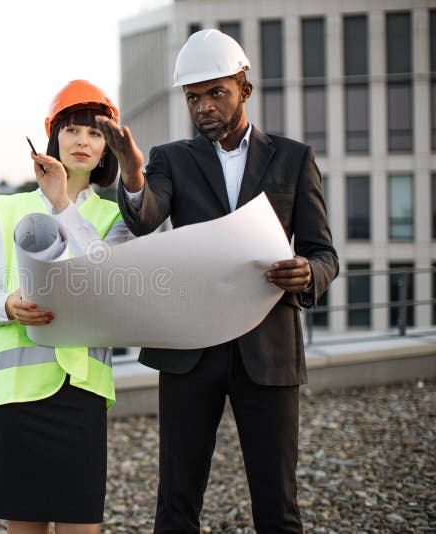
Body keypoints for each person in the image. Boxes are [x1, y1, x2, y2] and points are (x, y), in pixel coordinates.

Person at [97, 30, 339, 533]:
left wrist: (307, 273)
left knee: (278, 504)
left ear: (244, 90)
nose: (203, 106)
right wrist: (133, 172)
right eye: (193, 97)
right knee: (177, 501)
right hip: (190, 352)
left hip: (268, 352)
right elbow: (145, 219)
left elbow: (323, 254)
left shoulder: (294, 159)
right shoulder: (169, 159)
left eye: (216, 93)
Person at [0, 80, 132, 534]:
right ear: (53, 138)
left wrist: (62, 201)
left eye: (96, 133)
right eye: (73, 130)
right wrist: (8, 303)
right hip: (12, 394)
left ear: (107, 150)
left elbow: (102, 280)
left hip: (79, 392)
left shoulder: (116, 217)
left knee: (81, 526)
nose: (83, 141)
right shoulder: (11, 207)